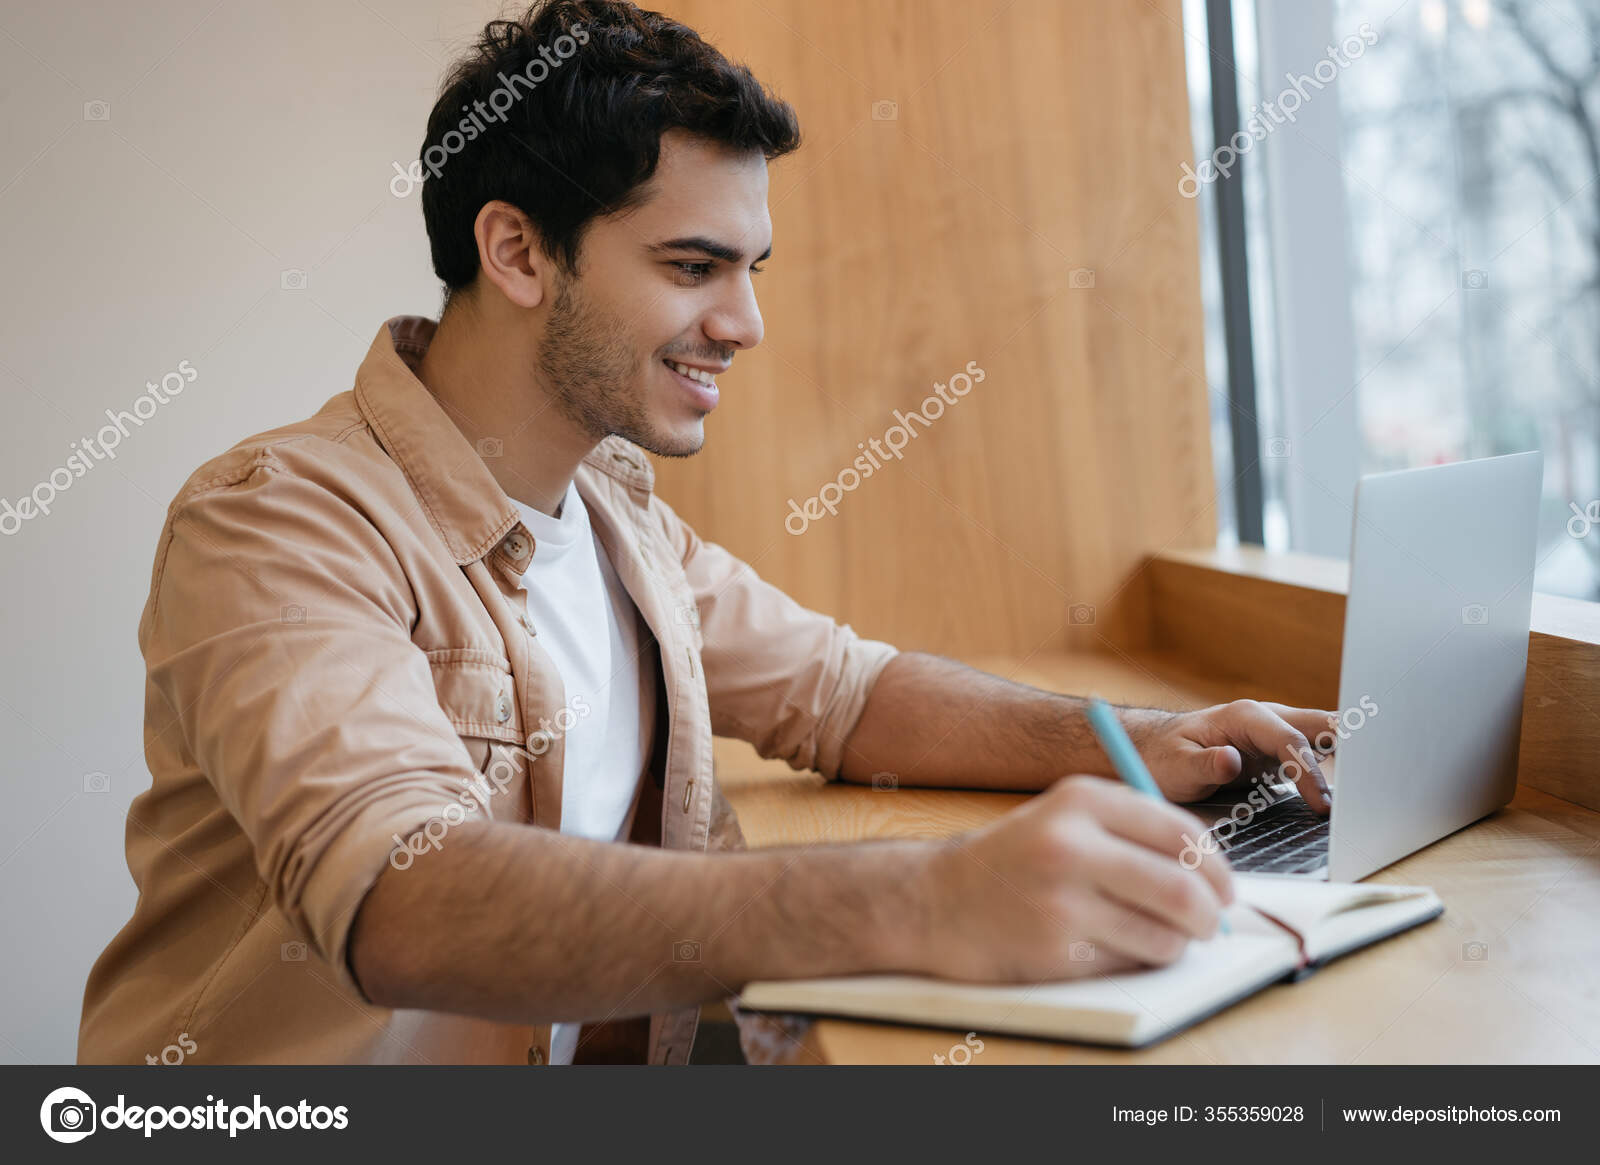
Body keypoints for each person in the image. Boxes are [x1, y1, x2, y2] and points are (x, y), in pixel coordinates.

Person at [78, 0, 1333, 1066]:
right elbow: (404, 892)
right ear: (515, 250)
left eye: (752, 269)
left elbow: (843, 693)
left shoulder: (614, 513)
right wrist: (929, 895)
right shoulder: (278, 521)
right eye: (692, 267)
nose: (744, 323)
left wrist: (1152, 747)